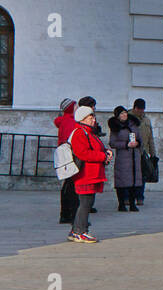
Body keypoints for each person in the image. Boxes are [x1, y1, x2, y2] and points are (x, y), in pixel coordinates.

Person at [68, 104, 112, 242]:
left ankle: (76, 229)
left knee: (87, 202)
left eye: (93, 117)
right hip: (85, 175)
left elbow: (97, 147)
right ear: (82, 118)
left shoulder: (89, 132)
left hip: (92, 174)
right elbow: (83, 153)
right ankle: (81, 231)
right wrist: (102, 156)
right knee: (86, 203)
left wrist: (106, 153)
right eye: (90, 117)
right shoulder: (79, 132)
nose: (93, 120)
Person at [107, 105, 143, 212]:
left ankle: (132, 204)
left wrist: (137, 143)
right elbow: (112, 143)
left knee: (134, 182)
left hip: (134, 157)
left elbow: (140, 139)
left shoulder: (133, 125)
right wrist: (126, 144)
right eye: (121, 114)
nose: (124, 115)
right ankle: (121, 203)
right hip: (123, 157)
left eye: (125, 113)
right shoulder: (116, 127)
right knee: (121, 182)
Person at [54, 97, 78, 224]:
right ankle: (70, 214)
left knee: (67, 185)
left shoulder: (63, 121)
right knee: (71, 186)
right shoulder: (70, 122)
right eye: (75, 107)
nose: (77, 108)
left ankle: (65, 213)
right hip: (70, 154)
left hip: (64, 154)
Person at [128, 98, 154, 205]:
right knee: (130, 176)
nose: (141, 111)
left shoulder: (146, 120)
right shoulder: (128, 118)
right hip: (131, 152)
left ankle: (140, 197)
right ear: (134, 108)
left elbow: (150, 138)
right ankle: (129, 197)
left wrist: (153, 153)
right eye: (139, 109)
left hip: (143, 152)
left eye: (143, 109)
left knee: (142, 176)